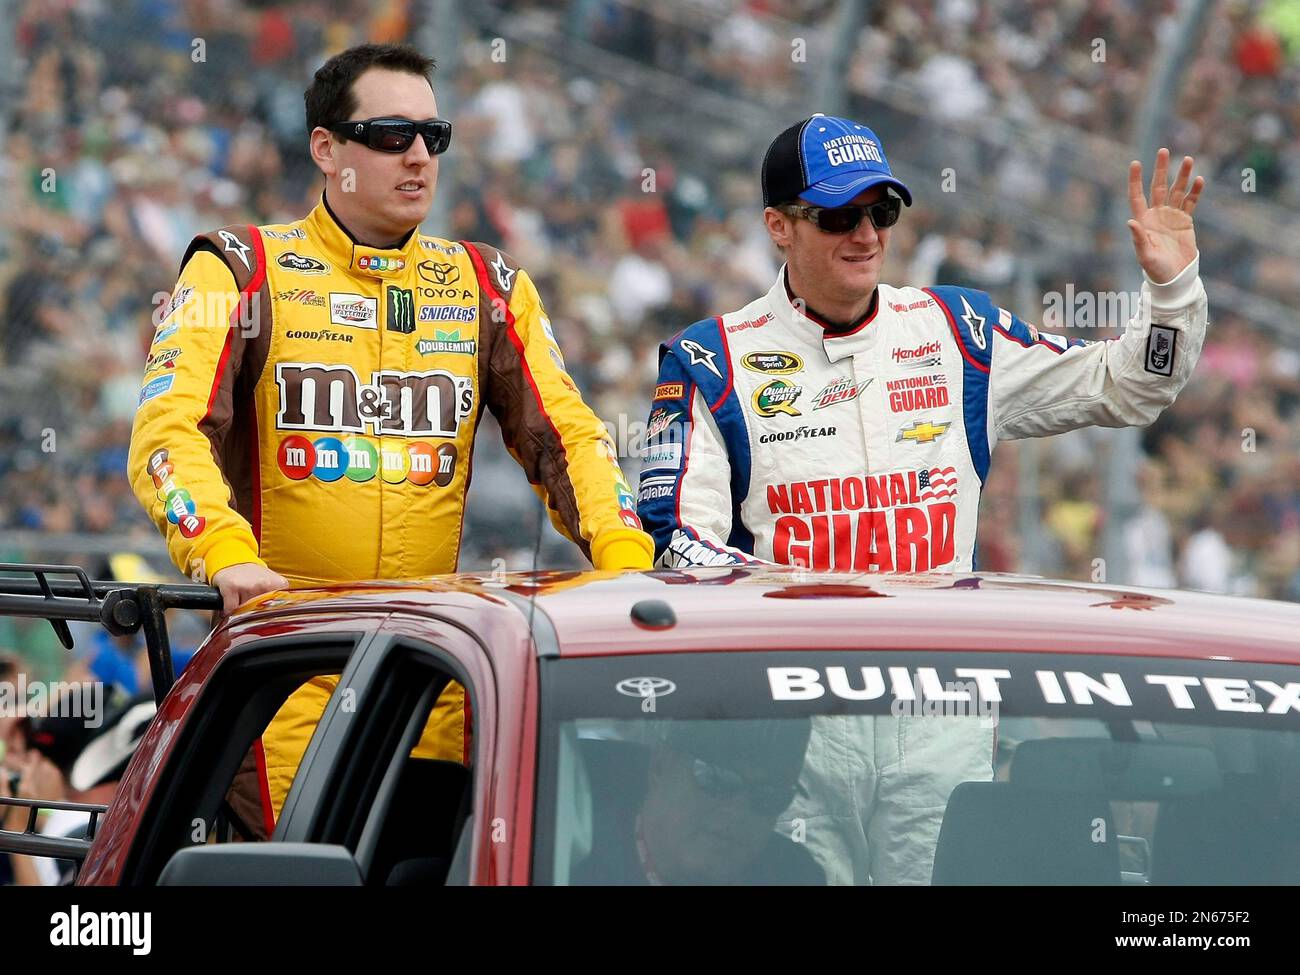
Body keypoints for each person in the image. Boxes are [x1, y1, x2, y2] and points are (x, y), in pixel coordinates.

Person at [636, 114, 1207, 883]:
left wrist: (1170, 290)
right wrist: (796, 603)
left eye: (882, 211)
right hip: (792, 722)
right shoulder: (711, 359)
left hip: (944, 712)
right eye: (838, 214)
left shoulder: (956, 329)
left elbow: (1130, 384)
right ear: (779, 226)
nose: (865, 233)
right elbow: (672, 541)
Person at [128, 43, 653, 823]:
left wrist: (624, 563)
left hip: (429, 680)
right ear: (326, 148)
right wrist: (226, 555)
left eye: (433, 138)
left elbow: (568, 437)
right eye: (390, 135)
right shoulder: (236, 267)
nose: (417, 157)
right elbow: (166, 433)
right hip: (277, 675)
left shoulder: (489, 284)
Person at [572, 718, 822, 885]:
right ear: (660, 767)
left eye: (768, 796)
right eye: (716, 779)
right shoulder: (562, 863)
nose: (737, 811)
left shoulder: (792, 875)